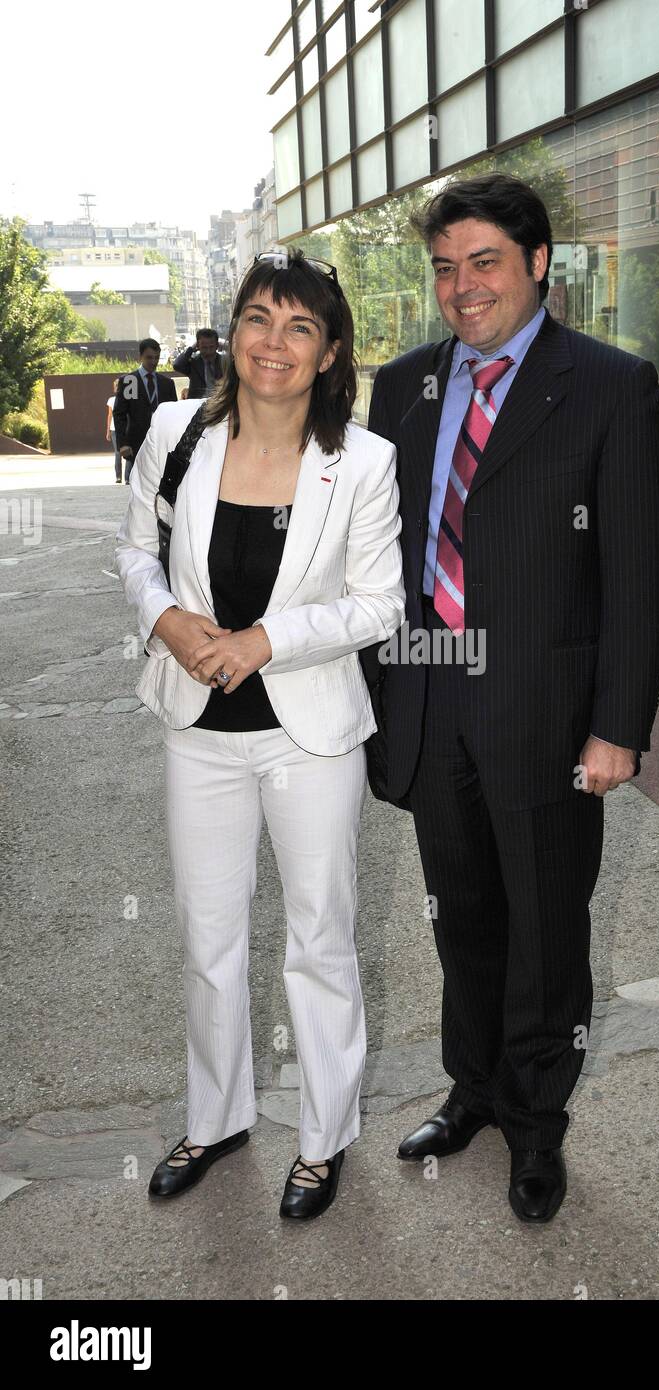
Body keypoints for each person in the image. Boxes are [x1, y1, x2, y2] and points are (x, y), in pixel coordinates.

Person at [359, 173, 659, 1223]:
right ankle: (476, 1090)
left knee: (545, 935)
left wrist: (616, 727)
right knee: (461, 922)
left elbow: (637, 579)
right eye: (445, 267)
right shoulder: (401, 388)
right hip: (429, 698)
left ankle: (537, 1130)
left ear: (539, 262)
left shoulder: (608, 386)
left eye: (484, 261)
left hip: (544, 717)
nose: (462, 287)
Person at [114, 249, 404, 1220]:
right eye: (256, 319)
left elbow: (378, 605)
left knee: (318, 938)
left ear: (329, 353)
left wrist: (264, 640)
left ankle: (322, 1138)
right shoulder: (175, 433)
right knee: (208, 938)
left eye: (298, 327)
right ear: (229, 329)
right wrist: (163, 616)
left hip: (308, 734)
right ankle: (218, 1115)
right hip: (197, 729)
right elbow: (134, 545)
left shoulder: (361, 463)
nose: (272, 344)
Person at [112, 339, 177, 483]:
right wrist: (123, 443)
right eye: (149, 357)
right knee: (141, 482)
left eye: (156, 358)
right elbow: (120, 414)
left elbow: (173, 415)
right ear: (140, 356)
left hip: (162, 442)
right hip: (137, 443)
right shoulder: (131, 382)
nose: (153, 362)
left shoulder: (166, 383)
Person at [173, 328, 226, 399]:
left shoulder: (225, 362)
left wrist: (226, 346)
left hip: (219, 402)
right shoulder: (193, 363)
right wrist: (191, 348)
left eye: (211, 347)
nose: (208, 351)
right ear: (198, 346)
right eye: (204, 347)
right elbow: (177, 365)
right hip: (197, 404)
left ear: (217, 345)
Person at [105, 378, 122, 483]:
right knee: (117, 453)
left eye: (116, 386)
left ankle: (126, 477)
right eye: (115, 386)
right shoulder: (111, 400)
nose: (115, 388)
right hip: (114, 429)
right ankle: (119, 476)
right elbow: (109, 416)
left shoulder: (127, 399)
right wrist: (108, 431)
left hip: (122, 429)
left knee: (122, 453)